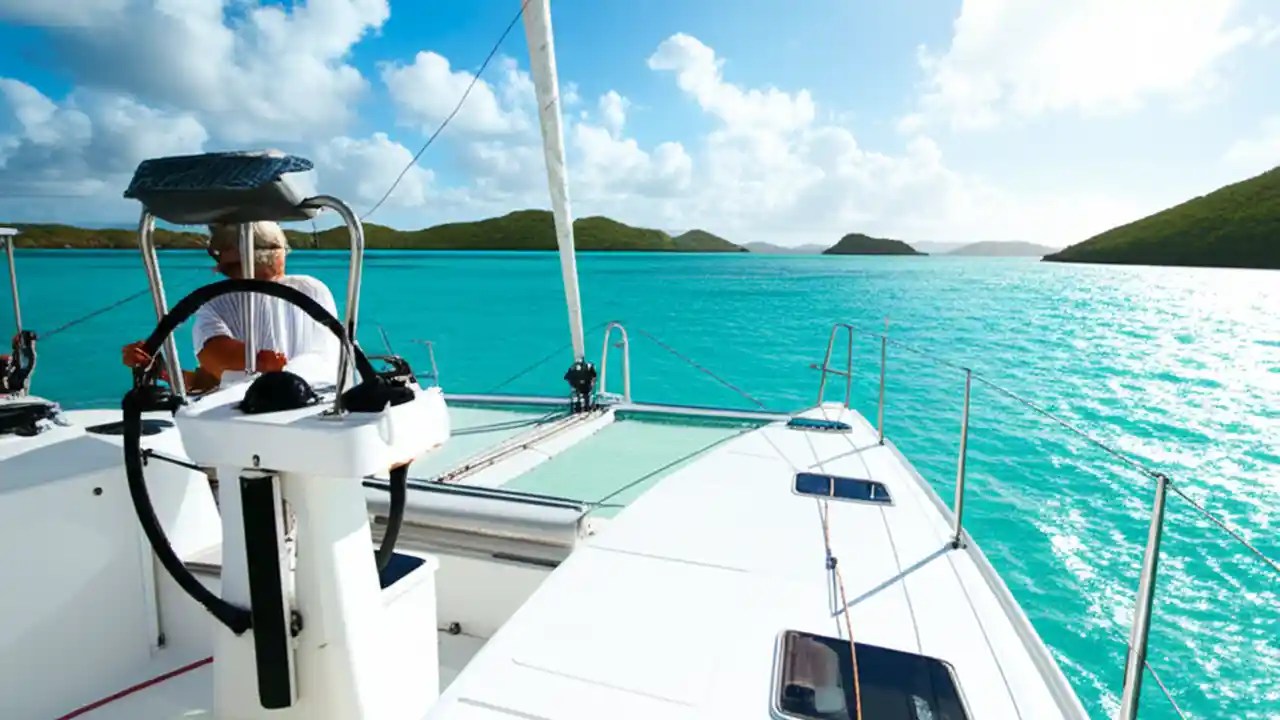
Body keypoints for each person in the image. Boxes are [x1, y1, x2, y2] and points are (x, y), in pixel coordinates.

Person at [122, 221, 341, 392]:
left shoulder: (217, 300)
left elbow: (215, 358)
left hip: (255, 418)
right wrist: (161, 371)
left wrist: (259, 361)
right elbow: (211, 378)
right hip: (318, 411)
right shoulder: (315, 288)